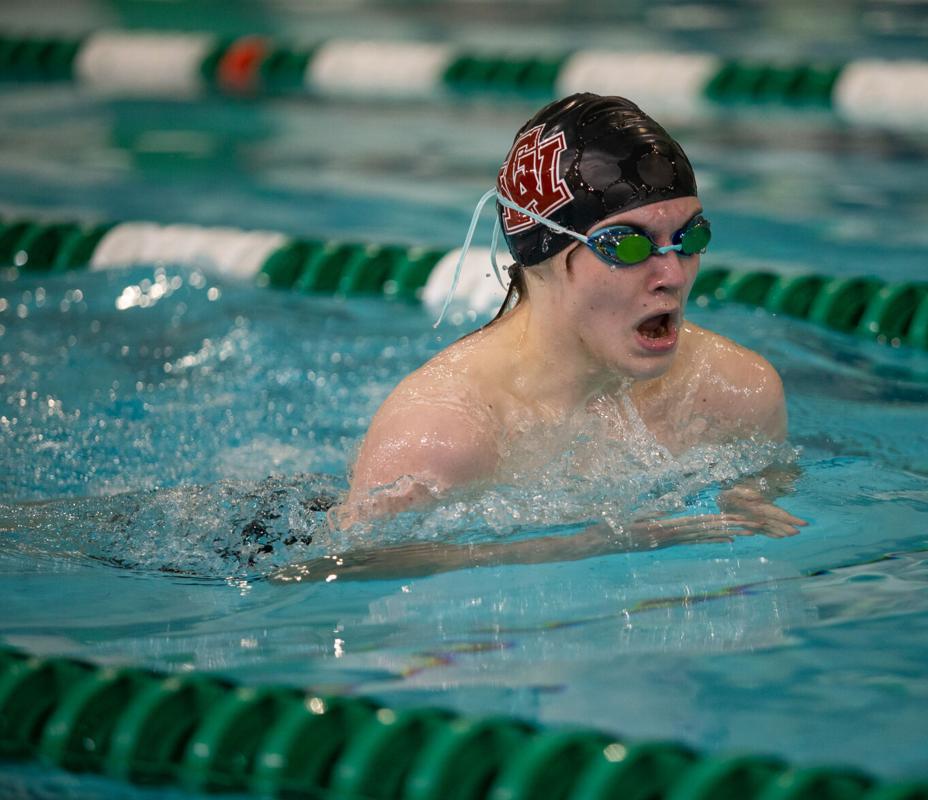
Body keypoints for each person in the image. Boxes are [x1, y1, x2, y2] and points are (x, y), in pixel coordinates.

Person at [279, 94, 804, 582]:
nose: (672, 274)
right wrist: (584, 546)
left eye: (691, 237)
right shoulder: (442, 437)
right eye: (627, 246)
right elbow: (348, 573)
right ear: (542, 255)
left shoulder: (735, 392)